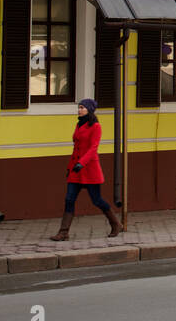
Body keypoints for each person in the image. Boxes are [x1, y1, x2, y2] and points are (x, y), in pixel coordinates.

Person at [50, 99, 123, 241]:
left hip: (89, 169)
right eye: (79, 107)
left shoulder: (96, 126)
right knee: (69, 199)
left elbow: (93, 148)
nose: (79, 110)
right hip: (76, 170)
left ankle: (116, 224)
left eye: (82, 107)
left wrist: (81, 163)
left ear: (89, 109)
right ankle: (63, 232)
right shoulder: (79, 124)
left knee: (97, 200)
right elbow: (76, 148)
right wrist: (70, 167)